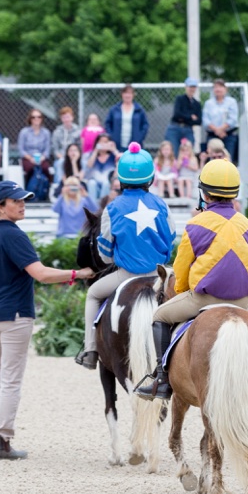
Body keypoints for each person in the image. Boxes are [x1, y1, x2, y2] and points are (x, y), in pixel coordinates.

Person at [0, 181, 95, 460]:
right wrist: (78, 274)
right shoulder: (14, 235)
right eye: (16, 201)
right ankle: (3, 440)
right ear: (1, 206)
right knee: (11, 377)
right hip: (15, 315)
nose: (23, 204)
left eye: (24, 200)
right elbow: (41, 274)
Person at [134, 159, 248, 400]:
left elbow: (180, 270)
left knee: (159, 316)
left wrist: (179, 291)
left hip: (204, 298)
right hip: (243, 301)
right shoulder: (247, 224)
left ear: (205, 194)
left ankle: (161, 378)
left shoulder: (196, 223)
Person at [75, 142, 176, 369]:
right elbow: (171, 240)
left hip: (127, 275)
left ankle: (90, 350)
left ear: (120, 179)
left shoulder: (112, 208)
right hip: (159, 275)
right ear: (150, 179)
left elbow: (105, 253)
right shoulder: (161, 204)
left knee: (92, 294)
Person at [104, 84, 149, 153]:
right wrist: (111, 137)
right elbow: (108, 124)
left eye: (130, 93)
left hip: (134, 145)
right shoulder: (114, 109)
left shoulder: (139, 110)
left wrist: (139, 137)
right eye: (125, 93)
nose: (127, 95)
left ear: (133, 95)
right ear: (122, 94)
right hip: (117, 144)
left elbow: (145, 125)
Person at [202, 79, 239, 161]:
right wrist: (217, 130)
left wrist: (221, 129)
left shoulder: (231, 102)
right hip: (212, 135)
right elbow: (206, 121)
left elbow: (233, 119)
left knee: (228, 159)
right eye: (216, 87)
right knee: (212, 160)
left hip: (228, 135)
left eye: (220, 87)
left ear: (225, 89)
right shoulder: (208, 103)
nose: (218, 89)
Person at [166, 77, 203, 155]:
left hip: (188, 129)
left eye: (193, 87)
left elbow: (198, 121)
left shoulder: (196, 104)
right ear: (186, 87)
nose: (192, 89)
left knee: (188, 153)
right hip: (175, 128)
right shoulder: (180, 99)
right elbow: (177, 114)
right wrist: (190, 117)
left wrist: (184, 117)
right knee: (173, 152)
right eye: (190, 87)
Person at [18, 108, 54, 185]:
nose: (36, 119)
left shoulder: (46, 133)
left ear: (41, 119)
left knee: (45, 168)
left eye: (39, 117)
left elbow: (47, 150)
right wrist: (31, 159)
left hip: (41, 158)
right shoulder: (24, 132)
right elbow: (21, 150)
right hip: (28, 158)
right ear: (30, 119)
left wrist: (41, 158)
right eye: (33, 117)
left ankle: (46, 190)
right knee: (31, 168)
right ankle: (29, 189)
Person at [83, 135, 118, 202]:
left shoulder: (113, 156)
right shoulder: (92, 155)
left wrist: (114, 149)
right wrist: (96, 151)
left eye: (105, 142)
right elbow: (89, 165)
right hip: (95, 184)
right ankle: (93, 207)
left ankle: (102, 206)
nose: (103, 144)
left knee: (106, 183)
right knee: (91, 183)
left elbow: (121, 160)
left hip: (108, 184)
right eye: (101, 142)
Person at [52, 106, 82, 182]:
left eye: (68, 117)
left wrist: (74, 156)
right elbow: (55, 149)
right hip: (62, 157)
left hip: (75, 156)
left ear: (72, 117)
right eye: (64, 117)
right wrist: (61, 156)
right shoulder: (57, 132)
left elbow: (80, 147)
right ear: (61, 119)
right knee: (60, 163)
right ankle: (59, 185)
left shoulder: (78, 131)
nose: (66, 119)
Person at [176, 137, 200, 201]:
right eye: (183, 151)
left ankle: (188, 196)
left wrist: (188, 166)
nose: (185, 152)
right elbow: (177, 168)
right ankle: (182, 196)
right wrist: (181, 161)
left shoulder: (193, 158)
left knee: (188, 181)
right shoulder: (180, 158)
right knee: (180, 181)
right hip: (182, 176)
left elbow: (196, 168)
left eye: (187, 150)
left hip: (190, 176)